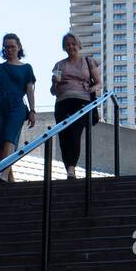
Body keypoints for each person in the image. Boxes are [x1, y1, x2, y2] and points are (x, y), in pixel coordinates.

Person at [50, 33, 102, 177]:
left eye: (73, 43)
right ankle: (69, 169)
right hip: (62, 102)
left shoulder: (88, 61)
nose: (70, 46)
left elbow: (98, 82)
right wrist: (55, 82)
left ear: (78, 45)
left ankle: (71, 168)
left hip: (82, 101)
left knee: (75, 133)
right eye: (67, 44)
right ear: (64, 47)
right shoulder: (59, 65)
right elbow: (53, 92)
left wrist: (94, 88)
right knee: (64, 137)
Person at [0, 33, 36, 182]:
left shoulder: (27, 68)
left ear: (19, 47)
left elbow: (29, 90)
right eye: (6, 47)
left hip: (17, 105)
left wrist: (33, 111)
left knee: (9, 137)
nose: (9, 49)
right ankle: (10, 178)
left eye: (12, 46)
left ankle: (2, 176)